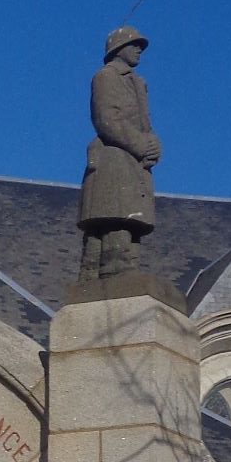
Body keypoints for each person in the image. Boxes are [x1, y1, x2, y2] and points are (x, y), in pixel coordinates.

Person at [77, 25, 161, 280]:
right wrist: (140, 144)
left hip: (134, 162)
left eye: (141, 46)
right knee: (114, 220)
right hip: (114, 158)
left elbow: (143, 123)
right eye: (134, 44)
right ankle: (113, 273)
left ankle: (123, 270)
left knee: (130, 223)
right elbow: (106, 120)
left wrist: (154, 145)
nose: (139, 50)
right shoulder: (106, 77)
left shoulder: (137, 83)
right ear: (119, 48)